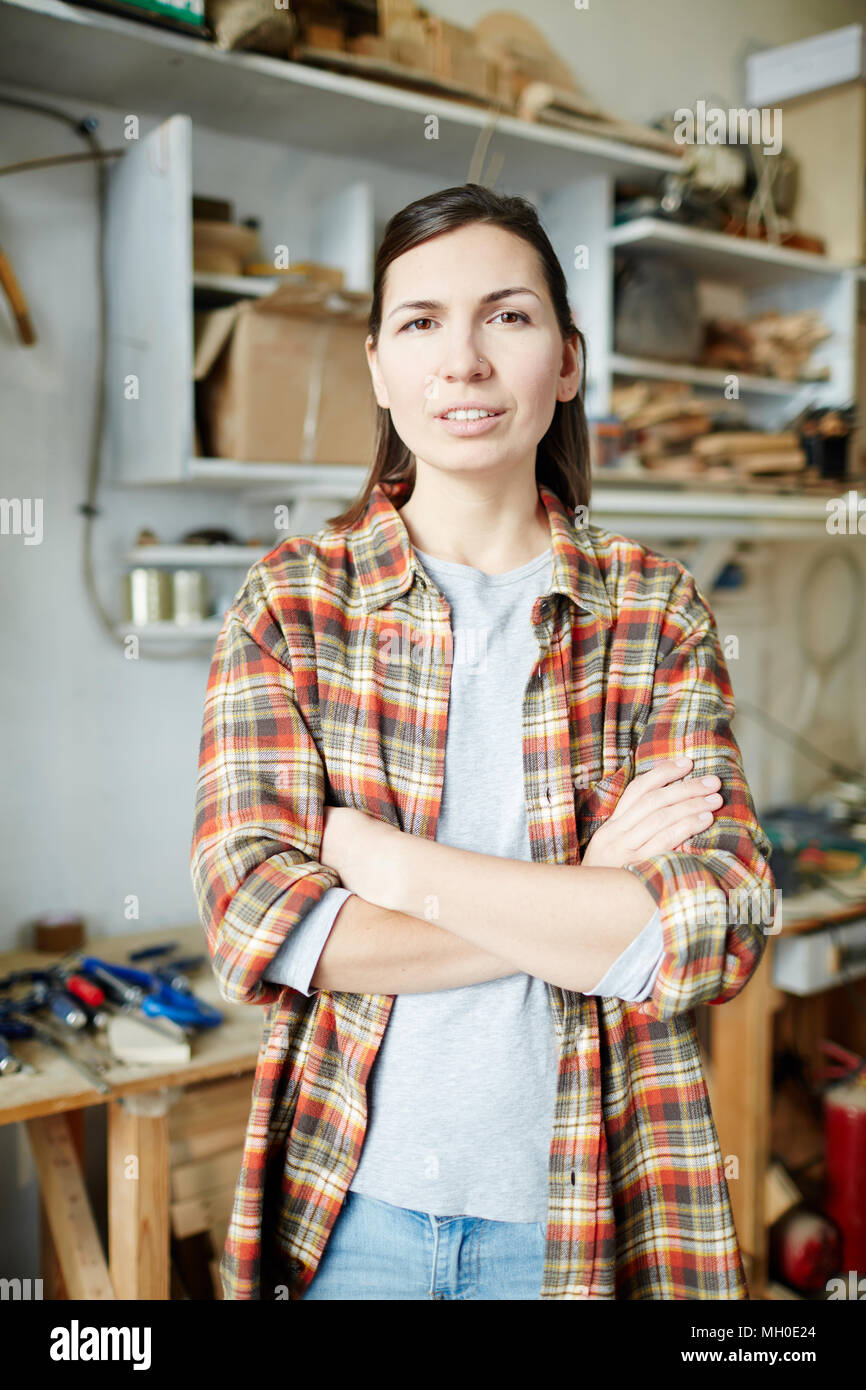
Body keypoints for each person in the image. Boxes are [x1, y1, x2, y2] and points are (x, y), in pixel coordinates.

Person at [190, 183, 775, 1301]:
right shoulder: (290, 603)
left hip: (582, 1213)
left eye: (505, 316)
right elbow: (256, 919)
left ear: (564, 359)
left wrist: (401, 870)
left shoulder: (653, 611)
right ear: (376, 366)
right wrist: (583, 899)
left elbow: (714, 925)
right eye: (419, 322)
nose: (460, 360)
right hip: (347, 1207)